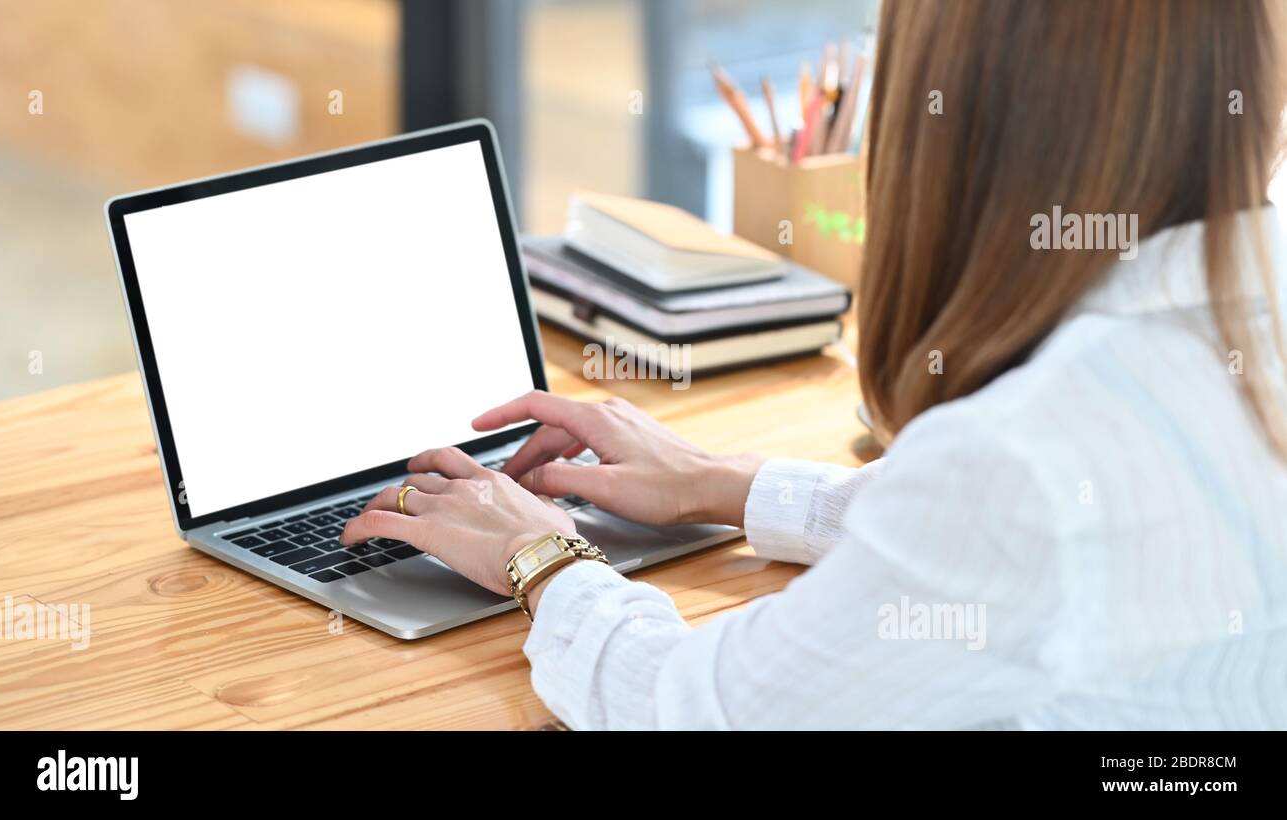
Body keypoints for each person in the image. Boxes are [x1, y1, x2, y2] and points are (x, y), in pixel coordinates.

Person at [344, 0, 1287, 729]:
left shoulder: (1028, 455)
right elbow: (1028, 559)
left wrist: (541, 554)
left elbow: (686, 712)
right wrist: (723, 482)